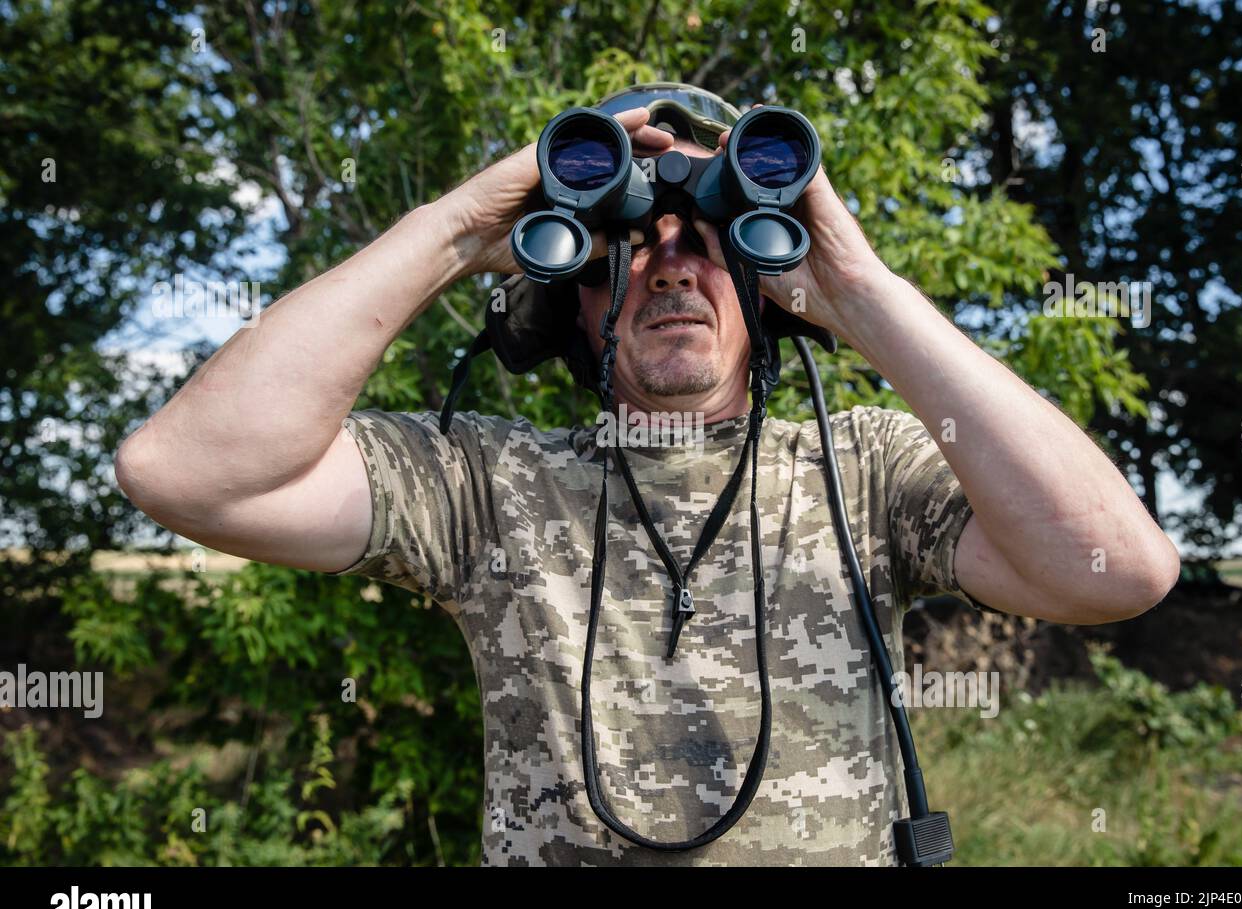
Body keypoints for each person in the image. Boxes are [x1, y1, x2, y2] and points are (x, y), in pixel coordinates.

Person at [113, 83, 1180, 866]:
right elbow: (187, 473)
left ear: (767, 292)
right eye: (631, 247)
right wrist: (452, 230)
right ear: (578, 307)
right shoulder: (492, 485)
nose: (672, 261)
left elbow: (1116, 569)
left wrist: (858, 286)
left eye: (712, 244)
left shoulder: (862, 463)